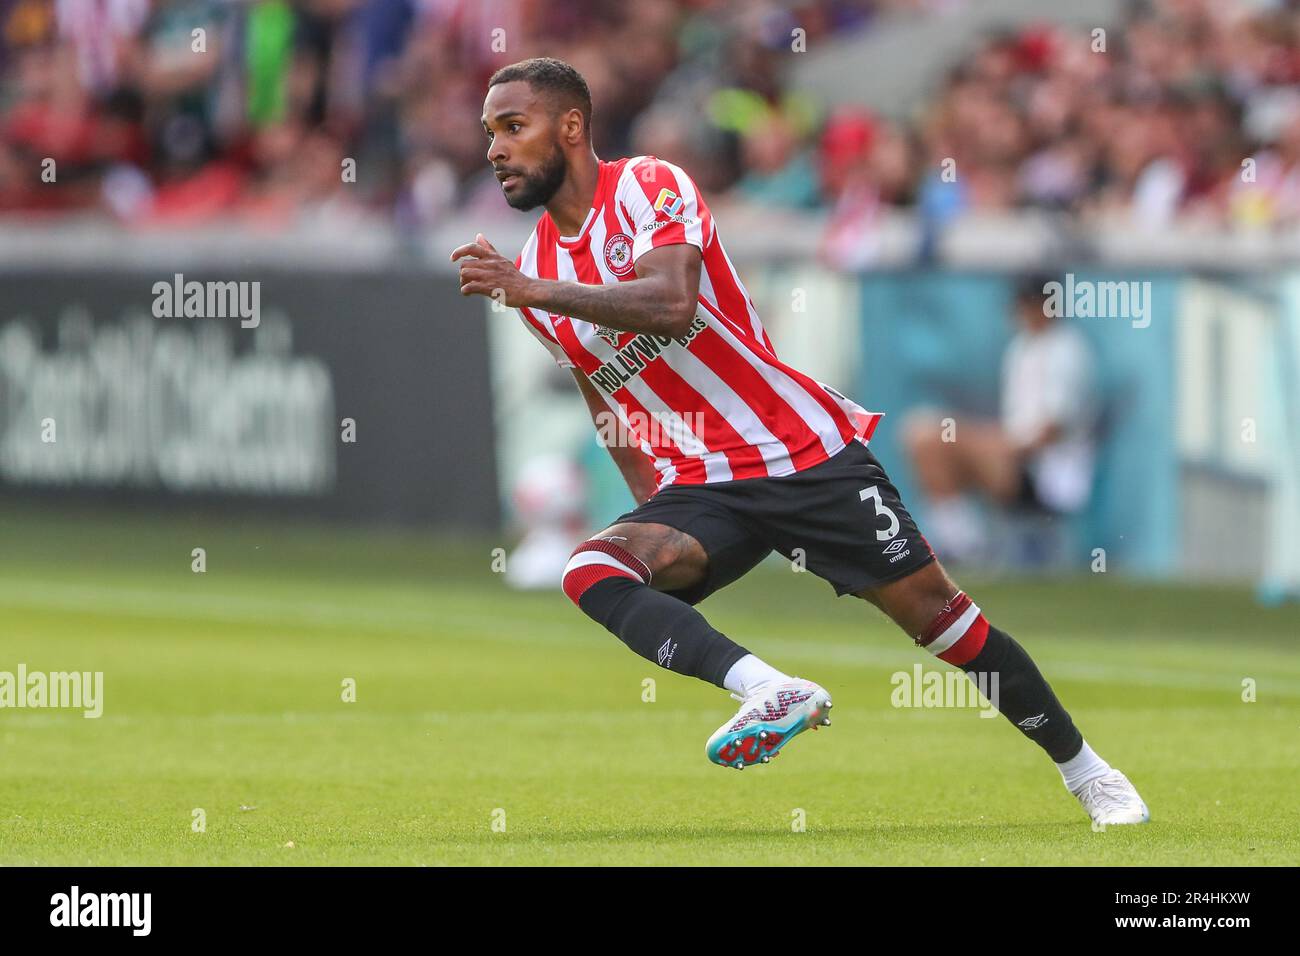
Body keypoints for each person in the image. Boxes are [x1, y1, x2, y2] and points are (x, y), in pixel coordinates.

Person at [450, 58, 1147, 825]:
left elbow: (674, 305)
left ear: (571, 127)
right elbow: (603, 391)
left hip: (798, 452)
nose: (495, 148)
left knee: (943, 621)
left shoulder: (647, 187)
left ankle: (1089, 773)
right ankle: (766, 688)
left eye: (513, 127)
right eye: (490, 133)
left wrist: (531, 290)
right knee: (593, 570)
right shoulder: (539, 270)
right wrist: (656, 502)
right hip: (704, 480)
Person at [904, 277, 1098, 565]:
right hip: (1018, 459)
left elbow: (1051, 431)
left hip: (1048, 473)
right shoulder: (1021, 347)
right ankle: (962, 544)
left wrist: (998, 445)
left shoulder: (1066, 350)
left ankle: (972, 549)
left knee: (932, 436)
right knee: (925, 440)